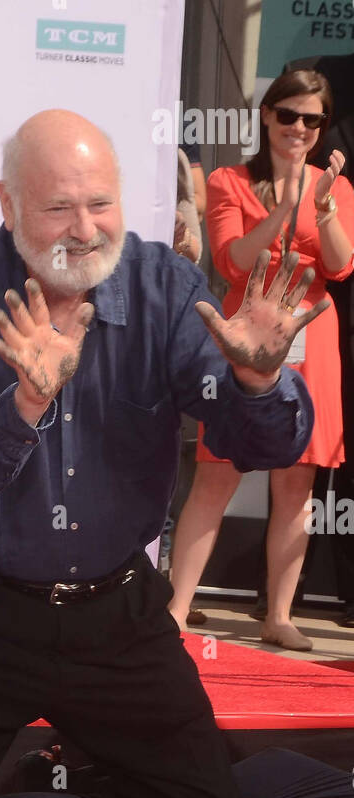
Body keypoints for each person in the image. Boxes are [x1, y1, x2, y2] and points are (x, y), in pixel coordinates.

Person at [0, 108, 319, 798]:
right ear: (8, 204)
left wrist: (257, 383)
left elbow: (259, 445)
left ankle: (67, 774)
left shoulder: (167, 290)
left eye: (100, 204)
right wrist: (25, 401)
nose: (85, 229)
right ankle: (46, 779)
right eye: (58, 207)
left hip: (117, 616)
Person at [168, 70, 354, 650]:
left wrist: (320, 211)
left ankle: (278, 615)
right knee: (215, 475)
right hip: (242, 337)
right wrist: (282, 207)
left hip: (311, 337)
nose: (300, 128)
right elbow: (232, 260)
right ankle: (175, 608)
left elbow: (342, 266)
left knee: (298, 484)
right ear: (267, 116)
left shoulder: (337, 187)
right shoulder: (229, 180)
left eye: (313, 119)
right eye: (289, 115)